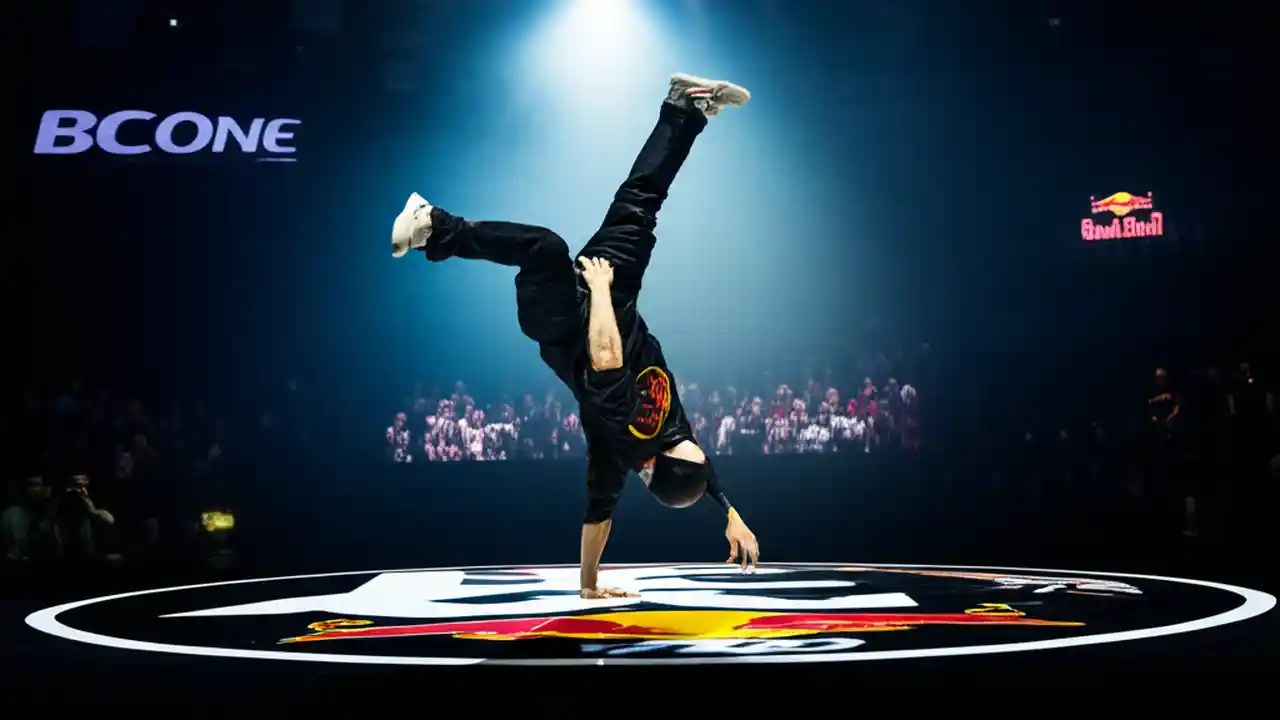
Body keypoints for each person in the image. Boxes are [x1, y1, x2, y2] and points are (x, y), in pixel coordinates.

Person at [391, 73, 760, 597]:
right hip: (616, 298)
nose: (694, 443)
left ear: (659, 462)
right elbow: (666, 487)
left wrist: (601, 289)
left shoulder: (620, 440)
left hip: (566, 324)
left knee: (545, 249)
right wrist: (729, 512)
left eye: (689, 451)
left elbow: (605, 358)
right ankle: (685, 107)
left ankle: (434, 227)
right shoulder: (676, 448)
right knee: (641, 204)